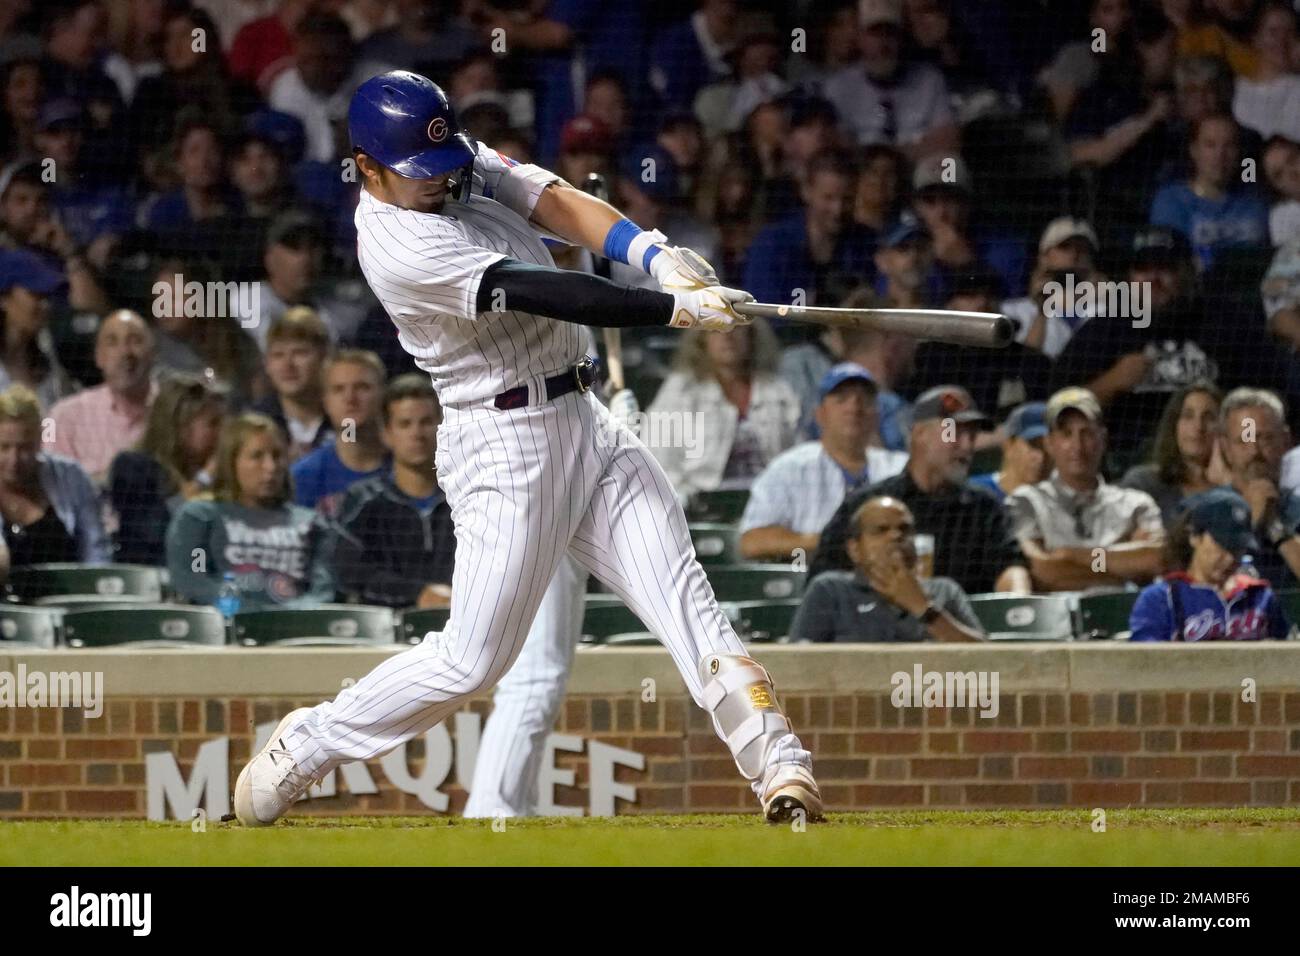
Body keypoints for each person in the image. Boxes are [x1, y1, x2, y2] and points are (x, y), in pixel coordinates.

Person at [234, 70, 821, 828]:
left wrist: (651, 252)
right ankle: (308, 742)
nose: (443, 184)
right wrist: (673, 310)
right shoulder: (396, 244)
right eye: (421, 176)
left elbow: (550, 200)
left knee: (690, 608)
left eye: (448, 167)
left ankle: (781, 770)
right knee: (470, 663)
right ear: (367, 168)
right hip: (504, 444)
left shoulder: (443, 157)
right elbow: (540, 289)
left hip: (585, 417)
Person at [810, 385, 1030, 595]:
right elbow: (823, 579)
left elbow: (1011, 567)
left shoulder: (984, 509)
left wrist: (1017, 600)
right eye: (952, 433)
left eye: (972, 435)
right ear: (920, 433)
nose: (966, 446)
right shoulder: (868, 505)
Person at [165, 412, 335, 609]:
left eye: (277, 456)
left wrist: (288, 616)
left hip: (294, 629)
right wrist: (244, 610)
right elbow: (195, 579)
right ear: (231, 462)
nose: (270, 467)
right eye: (257, 456)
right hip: (223, 628)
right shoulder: (201, 519)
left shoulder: (311, 524)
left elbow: (322, 589)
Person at [739, 363, 906, 561]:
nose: (854, 406)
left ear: (876, 416)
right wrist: (833, 542)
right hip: (811, 582)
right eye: (841, 399)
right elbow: (752, 542)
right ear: (819, 414)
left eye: (864, 399)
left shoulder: (899, 467)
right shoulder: (789, 469)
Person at [1006, 387, 1166, 593]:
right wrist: (1121, 570)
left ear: (1103, 438)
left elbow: (1155, 558)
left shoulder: (1136, 503)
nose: (1077, 446)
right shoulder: (1026, 501)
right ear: (1049, 443)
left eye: (1087, 433)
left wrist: (1068, 556)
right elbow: (1041, 570)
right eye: (1066, 434)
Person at [332, 374, 455, 609]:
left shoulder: (464, 499)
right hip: (383, 631)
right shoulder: (363, 502)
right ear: (387, 433)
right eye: (405, 423)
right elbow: (349, 571)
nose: (417, 434)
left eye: (426, 422)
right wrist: (418, 594)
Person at [792, 495, 985, 643]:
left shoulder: (944, 591)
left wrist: (924, 610)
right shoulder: (830, 590)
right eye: (881, 530)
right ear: (855, 549)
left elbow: (991, 663)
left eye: (905, 529)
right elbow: (797, 664)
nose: (895, 535)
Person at [646, 319, 799, 498]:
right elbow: (658, 460)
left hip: (772, 501)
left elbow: (798, 454)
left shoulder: (777, 389)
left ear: (751, 335)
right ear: (701, 339)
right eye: (716, 329)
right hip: (702, 507)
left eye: (737, 327)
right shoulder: (680, 390)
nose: (728, 336)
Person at [1130, 488, 1288, 641]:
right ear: (1194, 537)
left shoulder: (1259, 595)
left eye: (1237, 548)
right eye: (1222, 546)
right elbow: (1145, 663)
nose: (1229, 558)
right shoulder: (1161, 598)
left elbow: (1284, 658)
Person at [107, 373, 226, 565]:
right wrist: (204, 479)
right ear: (180, 426)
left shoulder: (223, 474)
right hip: (152, 578)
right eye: (213, 424)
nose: (222, 433)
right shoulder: (133, 468)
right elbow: (158, 532)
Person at [820, 0, 958, 161]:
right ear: (859, 39)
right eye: (875, 34)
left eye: (890, 34)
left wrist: (895, 158)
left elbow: (948, 139)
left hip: (918, 172)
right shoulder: (838, 87)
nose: (883, 44)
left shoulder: (929, 80)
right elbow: (833, 143)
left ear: (901, 38)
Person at [740, 149, 875, 308]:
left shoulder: (866, 243)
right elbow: (761, 309)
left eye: (847, 199)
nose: (838, 209)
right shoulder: (772, 243)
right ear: (806, 191)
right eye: (828, 198)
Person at [0, 383, 109, 567]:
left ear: (40, 440)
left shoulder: (72, 477)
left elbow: (96, 550)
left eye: (25, 447)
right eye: (4, 447)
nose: (15, 459)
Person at [45, 310, 157, 484]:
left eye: (135, 341)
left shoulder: (175, 409)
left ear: (152, 353)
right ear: (99, 356)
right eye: (112, 342)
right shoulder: (61, 416)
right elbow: (51, 481)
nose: (125, 352)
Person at [1150, 113, 1269, 273]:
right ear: (1194, 151)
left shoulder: (1256, 200)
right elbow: (1171, 263)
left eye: (1229, 145)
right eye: (1210, 145)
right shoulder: (1171, 200)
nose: (1220, 155)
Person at [1217, 387, 1300, 587]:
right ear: (1226, 449)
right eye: (1244, 440)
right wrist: (1251, 520)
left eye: (1265, 439)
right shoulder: (1205, 511)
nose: (1254, 452)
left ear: (1285, 441)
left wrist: (1273, 523)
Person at [290, 349, 388, 515]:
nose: (350, 398)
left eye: (362, 387)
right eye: (338, 389)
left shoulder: (408, 469)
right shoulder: (303, 477)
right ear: (325, 401)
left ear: (383, 394)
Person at [1120, 383, 1223, 525]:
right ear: (1174, 425)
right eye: (1188, 416)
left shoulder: (1237, 487)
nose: (1198, 426)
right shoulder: (1143, 483)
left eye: (1209, 417)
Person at [252, 307, 332, 462]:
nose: (287, 365)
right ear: (267, 365)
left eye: (299, 353)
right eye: (278, 355)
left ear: (323, 358)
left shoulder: (346, 418)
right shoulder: (254, 421)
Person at [0, 248, 76, 410]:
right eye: (36, 294)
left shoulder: (52, 366)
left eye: (47, 297)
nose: (45, 305)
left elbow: (57, 430)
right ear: (4, 298)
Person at [969, 402, 1051, 502]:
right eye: (1033, 445)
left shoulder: (1059, 501)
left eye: (1048, 447)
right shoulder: (972, 492)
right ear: (1008, 446)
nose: (1041, 457)